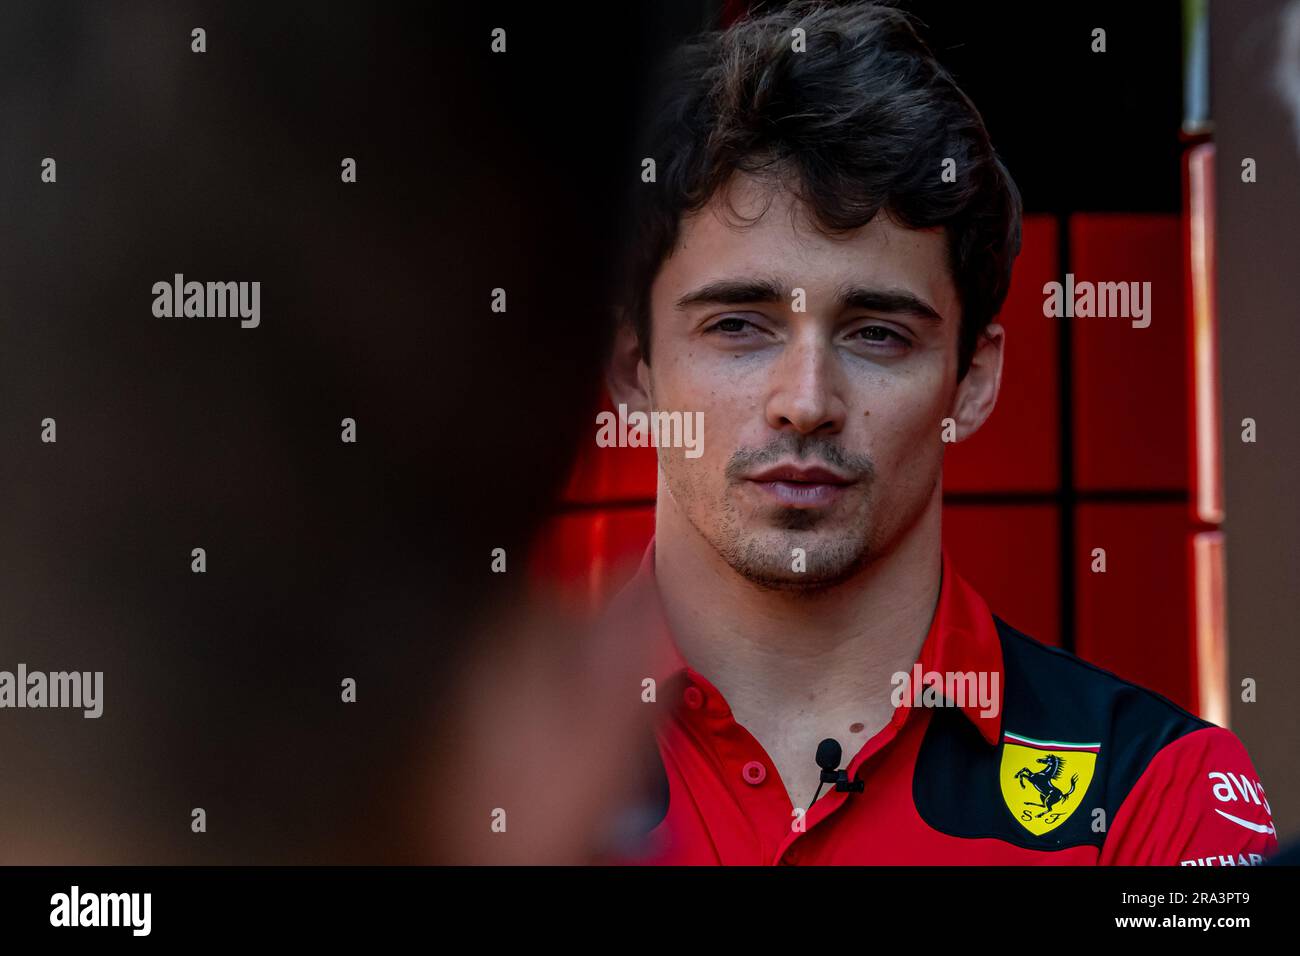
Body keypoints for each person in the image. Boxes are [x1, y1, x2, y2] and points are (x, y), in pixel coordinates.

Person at [601, 0, 1278, 865]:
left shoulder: (1158, 791)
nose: (806, 402)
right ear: (633, 370)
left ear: (975, 379)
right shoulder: (459, 777)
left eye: (876, 332)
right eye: (739, 324)